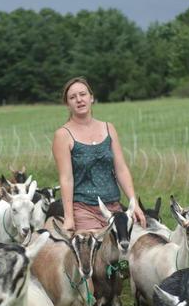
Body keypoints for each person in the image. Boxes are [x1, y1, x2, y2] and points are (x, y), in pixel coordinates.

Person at [52, 77, 146, 231]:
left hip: (114, 209)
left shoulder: (109, 128)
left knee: (128, 250)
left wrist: (133, 203)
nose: (79, 100)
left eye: (82, 94)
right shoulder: (63, 135)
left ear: (91, 97)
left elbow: (121, 169)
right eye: (72, 97)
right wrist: (69, 218)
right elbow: (66, 178)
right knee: (96, 251)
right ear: (67, 104)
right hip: (83, 209)